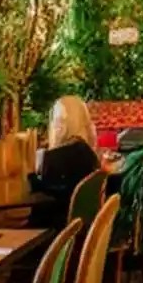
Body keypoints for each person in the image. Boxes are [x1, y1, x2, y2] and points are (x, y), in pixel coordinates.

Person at [30, 96, 99, 224]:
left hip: (55, 231)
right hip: (81, 230)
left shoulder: (55, 157)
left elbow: (47, 198)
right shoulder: (89, 153)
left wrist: (30, 176)